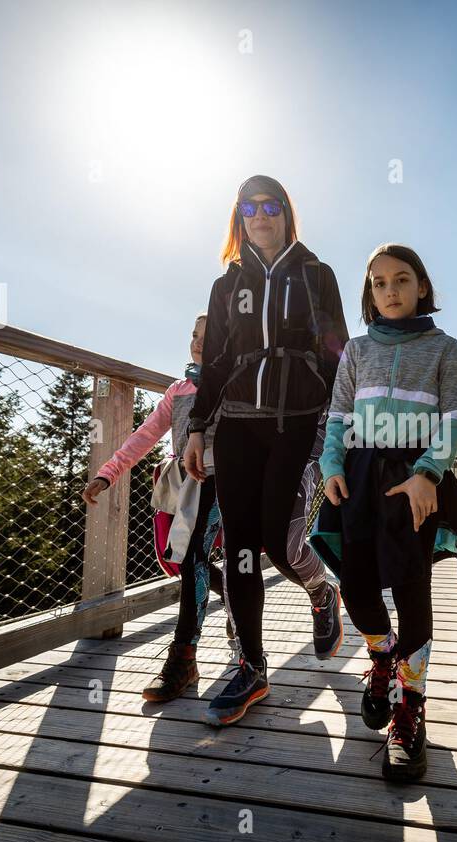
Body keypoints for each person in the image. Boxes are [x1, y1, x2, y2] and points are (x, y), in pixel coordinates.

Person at [310, 244, 457, 782]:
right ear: (369, 294)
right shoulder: (355, 349)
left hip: (415, 480)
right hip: (360, 475)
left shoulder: (444, 348)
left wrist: (429, 473)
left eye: (401, 280)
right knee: (356, 583)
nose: (390, 291)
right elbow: (337, 416)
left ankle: (410, 708)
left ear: (422, 286)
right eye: (378, 283)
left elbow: (453, 418)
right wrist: (331, 465)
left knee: (412, 587)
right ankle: (381, 656)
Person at [182, 174, 349, 726]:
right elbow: (216, 363)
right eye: (249, 206)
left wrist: (346, 425)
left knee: (279, 538)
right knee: (239, 547)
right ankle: (251, 665)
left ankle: (321, 591)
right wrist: (198, 427)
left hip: (298, 423)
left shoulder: (316, 275)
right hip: (236, 425)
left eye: (270, 204)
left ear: (286, 213)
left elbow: (337, 354)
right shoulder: (227, 284)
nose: (260, 214)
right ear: (239, 217)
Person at [83, 314, 223, 702]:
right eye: (194, 335)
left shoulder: (232, 384)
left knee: (193, 553)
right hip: (183, 482)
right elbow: (145, 435)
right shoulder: (177, 391)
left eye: (208, 338)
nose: (198, 342)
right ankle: (228, 595)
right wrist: (108, 474)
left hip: (222, 481)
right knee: (177, 558)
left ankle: (183, 657)